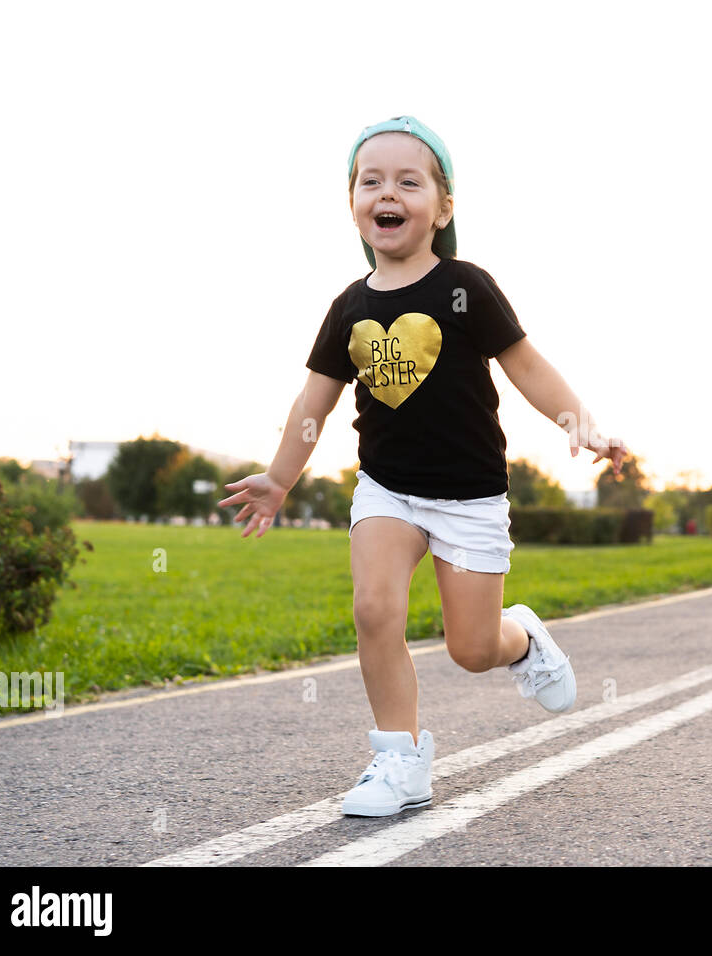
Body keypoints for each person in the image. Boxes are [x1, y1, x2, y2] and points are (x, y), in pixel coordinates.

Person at [217, 116, 628, 817]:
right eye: (370, 180)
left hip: (469, 494)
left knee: (472, 648)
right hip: (387, 489)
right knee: (375, 610)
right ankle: (399, 761)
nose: (388, 192)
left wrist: (580, 423)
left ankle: (522, 638)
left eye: (410, 181)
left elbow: (526, 364)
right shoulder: (348, 307)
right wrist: (280, 477)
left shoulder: (467, 288)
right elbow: (313, 401)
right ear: (354, 204)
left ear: (442, 207)